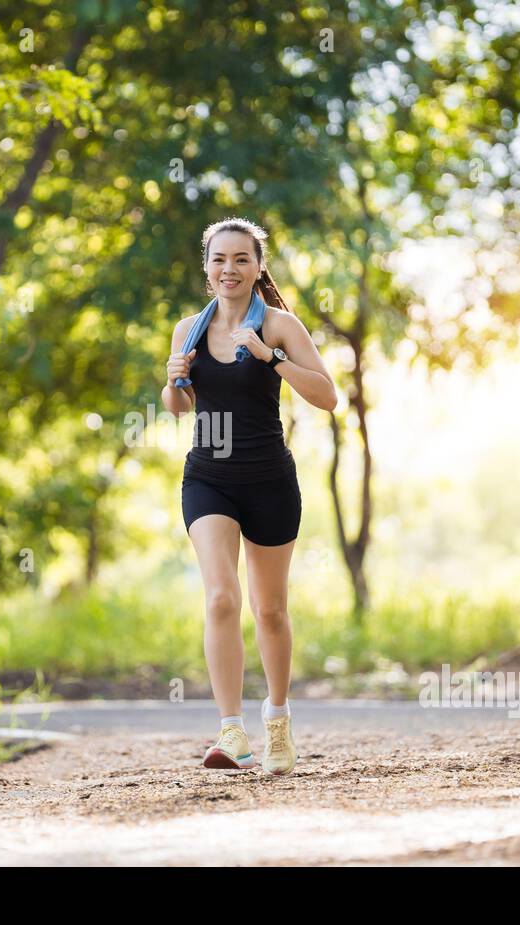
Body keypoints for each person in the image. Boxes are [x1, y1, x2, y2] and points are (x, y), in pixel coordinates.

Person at [160, 217, 338, 775]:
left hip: (269, 481)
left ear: (257, 267)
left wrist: (269, 358)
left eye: (241, 259)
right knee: (219, 597)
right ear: (206, 269)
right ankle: (231, 731)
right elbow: (179, 407)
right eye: (219, 259)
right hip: (208, 477)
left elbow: (328, 396)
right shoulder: (188, 329)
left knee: (271, 610)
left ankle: (278, 724)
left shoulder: (281, 326)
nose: (229, 269)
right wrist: (173, 382)